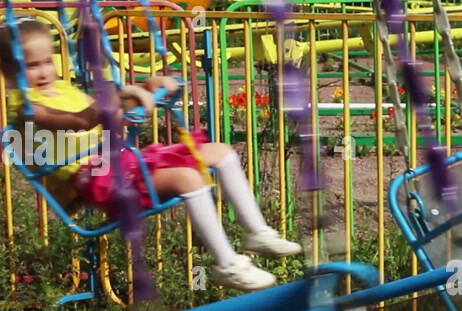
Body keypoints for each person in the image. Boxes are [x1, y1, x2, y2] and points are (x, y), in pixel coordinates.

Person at [0, 19, 301, 291]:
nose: (42, 71)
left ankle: (258, 232)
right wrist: (122, 95)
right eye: (29, 66)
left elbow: (109, 117)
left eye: (47, 61)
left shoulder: (61, 89)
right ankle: (227, 264)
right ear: (8, 72)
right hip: (98, 180)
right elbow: (82, 121)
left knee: (220, 151)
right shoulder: (26, 108)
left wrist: (146, 88)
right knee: (186, 178)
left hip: (121, 163)